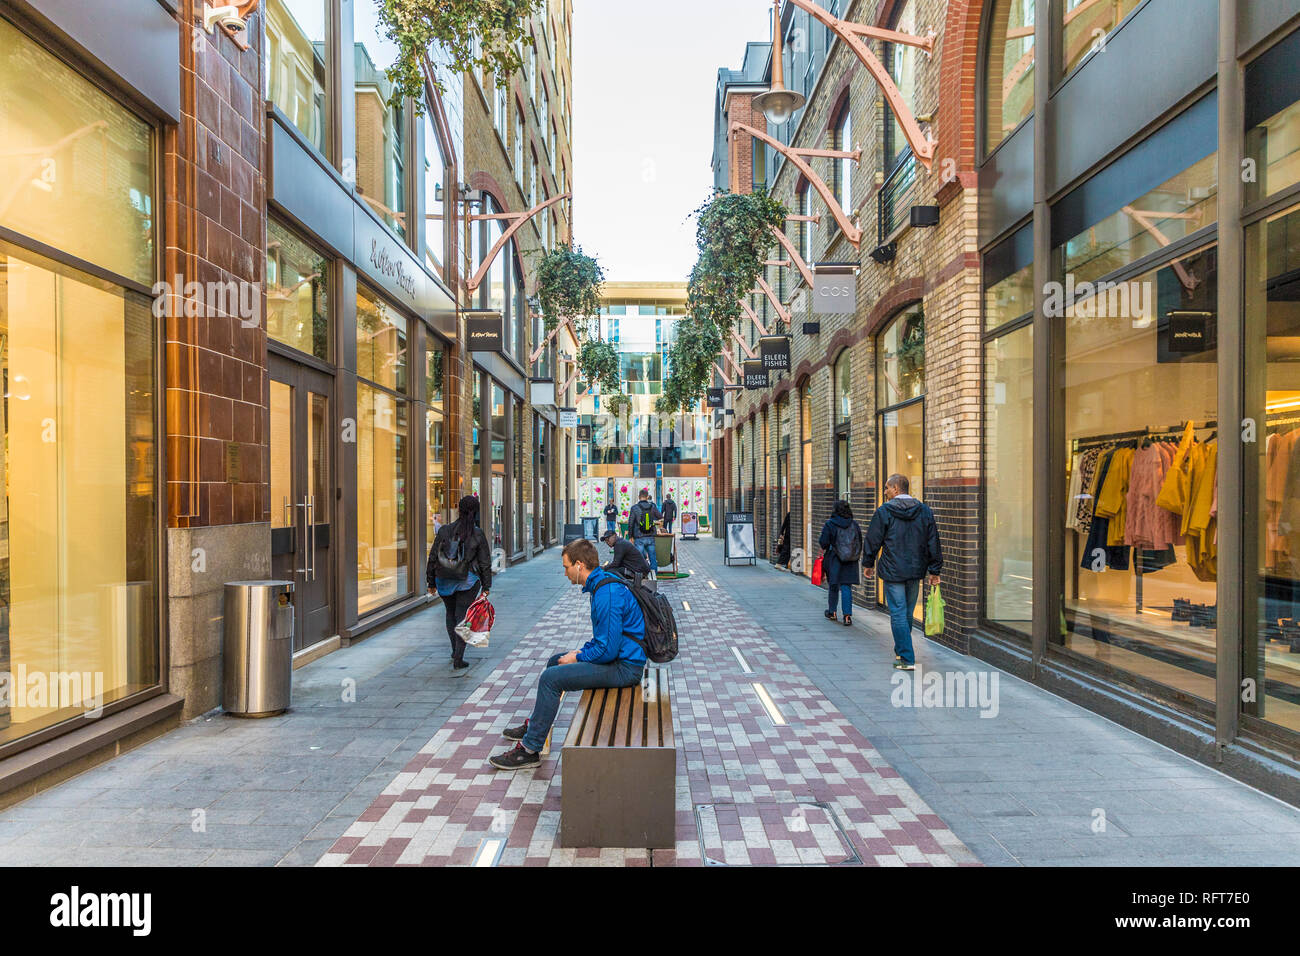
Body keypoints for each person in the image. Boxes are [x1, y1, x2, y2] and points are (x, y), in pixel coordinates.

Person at [489, 539, 647, 770]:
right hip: (619, 659)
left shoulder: (607, 593)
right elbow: (607, 640)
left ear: (579, 565)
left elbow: (608, 649)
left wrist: (579, 656)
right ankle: (536, 725)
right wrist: (580, 652)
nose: (565, 573)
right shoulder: (602, 586)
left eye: (566, 567)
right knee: (555, 662)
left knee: (550, 678)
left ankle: (530, 750)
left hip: (625, 668)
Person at [862, 473, 943, 671]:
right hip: (915, 570)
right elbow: (933, 541)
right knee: (905, 611)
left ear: (896, 489)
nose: (885, 491)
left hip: (893, 569)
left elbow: (873, 540)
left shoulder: (884, 511)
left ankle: (907, 658)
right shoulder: (924, 511)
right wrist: (934, 569)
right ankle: (902, 650)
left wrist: (868, 563)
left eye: (887, 488)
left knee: (898, 612)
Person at [427, 495, 493, 673]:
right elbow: (485, 562)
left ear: (459, 510)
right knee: (463, 617)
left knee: (450, 614)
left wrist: (430, 581)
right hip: (467, 582)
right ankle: (459, 657)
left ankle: (455, 651)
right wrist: (487, 586)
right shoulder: (477, 533)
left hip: (444, 580)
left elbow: (433, 557)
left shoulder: (444, 530)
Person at [819, 500, 862, 626]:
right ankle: (847, 616)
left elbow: (824, 542)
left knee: (833, 585)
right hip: (850, 559)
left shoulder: (830, 524)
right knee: (846, 586)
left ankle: (832, 612)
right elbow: (859, 540)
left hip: (834, 557)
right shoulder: (854, 524)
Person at [626, 488, 662, 572]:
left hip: (639, 536)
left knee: (639, 557)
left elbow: (630, 523)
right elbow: (660, 516)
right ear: (647, 497)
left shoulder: (634, 508)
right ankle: (654, 576)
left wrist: (630, 536)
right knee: (653, 557)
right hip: (651, 536)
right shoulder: (652, 506)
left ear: (639, 497)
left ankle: (641, 575)